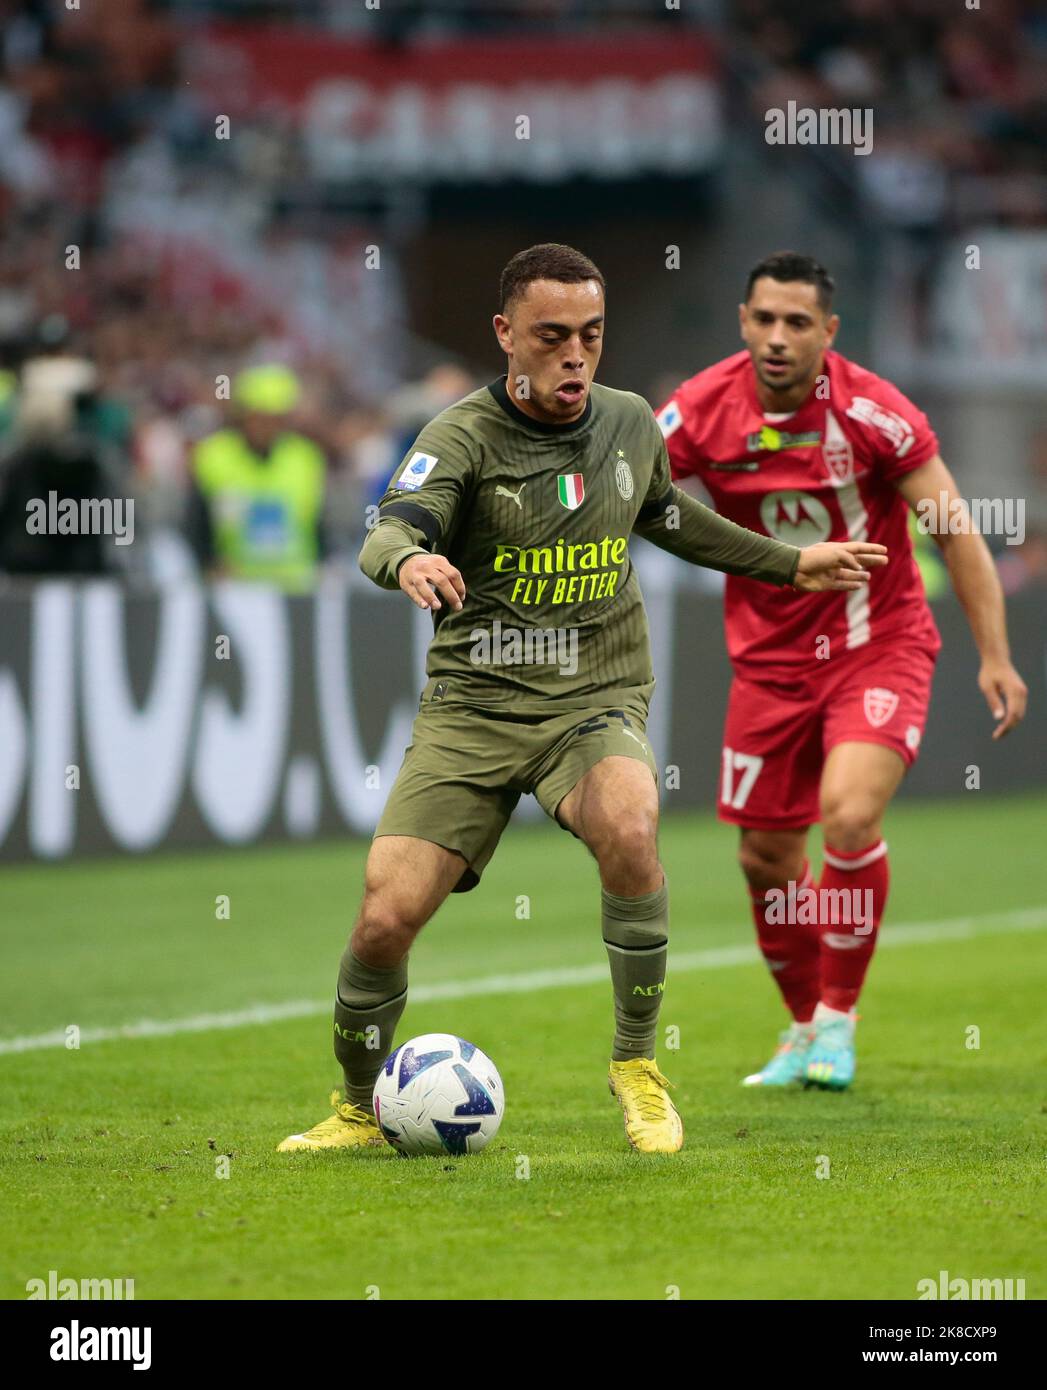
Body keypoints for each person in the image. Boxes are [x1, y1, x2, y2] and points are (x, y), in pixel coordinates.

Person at [278, 243, 886, 1156]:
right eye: (551, 336)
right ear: (504, 335)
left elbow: (671, 518)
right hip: (473, 712)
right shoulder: (460, 437)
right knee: (384, 916)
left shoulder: (630, 423)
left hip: (592, 701)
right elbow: (389, 529)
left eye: (590, 337)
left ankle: (637, 1068)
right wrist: (409, 558)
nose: (574, 356)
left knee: (631, 825)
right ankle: (360, 1109)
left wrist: (791, 563)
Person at [657, 251, 1028, 1090]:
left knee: (847, 816)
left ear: (828, 332)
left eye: (798, 323)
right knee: (763, 857)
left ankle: (836, 1019)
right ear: (741, 322)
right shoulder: (697, 412)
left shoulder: (873, 413)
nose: (778, 338)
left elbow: (955, 529)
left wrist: (994, 654)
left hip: (876, 644)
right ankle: (799, 1027)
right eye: (764, 320)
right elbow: (619, 483)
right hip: (767, 667)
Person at [187, 364, 327, 591]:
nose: (267, 427)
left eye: (275, 419)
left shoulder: (304, 458)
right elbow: (197, 522)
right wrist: (208, 566)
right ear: (243, 416)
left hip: (296, 586)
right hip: (236, 586)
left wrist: (322, 565)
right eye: (260, 418)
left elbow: (318, 523)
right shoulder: (214, 456)